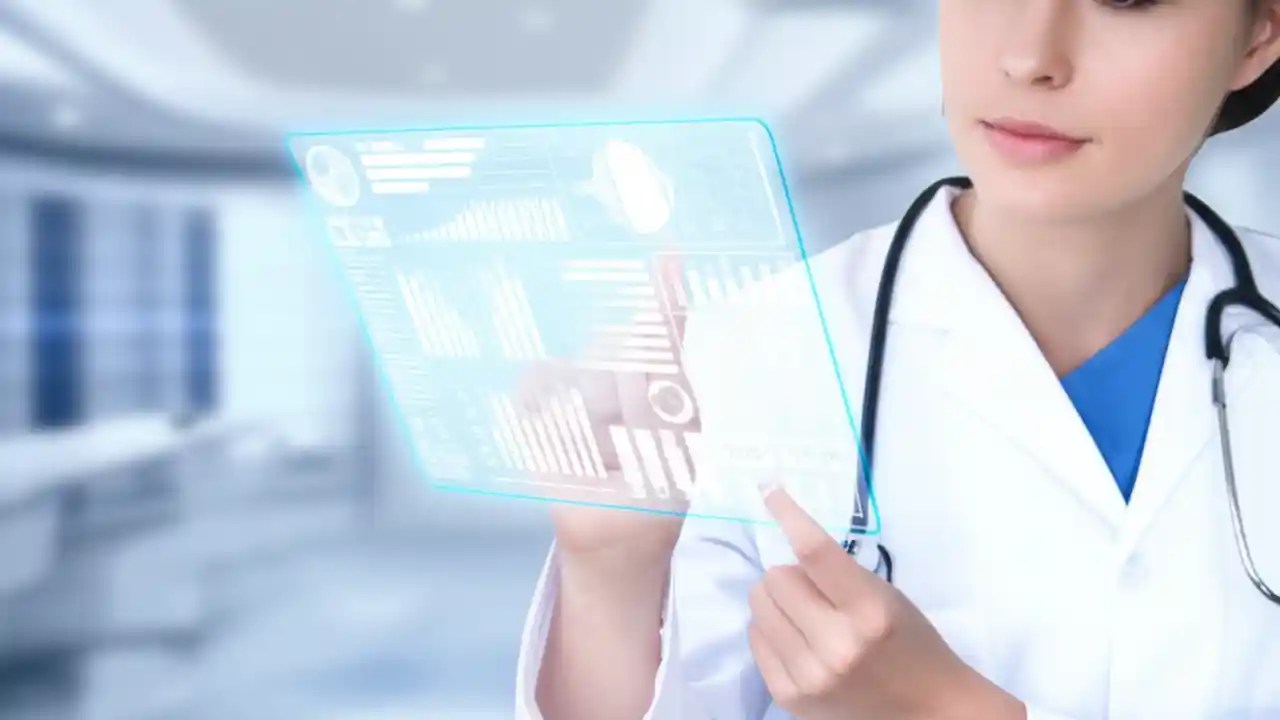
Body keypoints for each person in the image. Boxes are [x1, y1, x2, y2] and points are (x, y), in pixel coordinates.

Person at [515, 1, 1280, 718]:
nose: (1028, 57)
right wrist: (612, 575)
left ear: (1257, 37)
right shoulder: (753, 353)